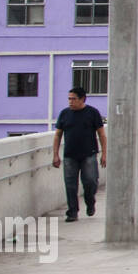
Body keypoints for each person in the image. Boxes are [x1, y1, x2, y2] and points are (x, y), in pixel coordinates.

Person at [52, 86, 107, 222]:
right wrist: (55, 154)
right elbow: (58, 135)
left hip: (89, 154)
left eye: (73, 99)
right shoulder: (64, 114)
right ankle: (72, 212)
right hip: (70, 155)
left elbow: (101, 134)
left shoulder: (92, 113)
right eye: (69, 99)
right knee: (70, 185)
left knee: (90, 182)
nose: (70, 102)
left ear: (82, 99)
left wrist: (104, 154)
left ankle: (90, 202)